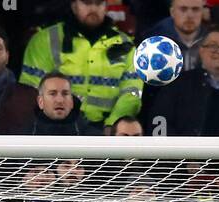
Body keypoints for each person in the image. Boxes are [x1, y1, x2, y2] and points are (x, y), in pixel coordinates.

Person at [19, 0, 142, 129]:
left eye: (99, 3)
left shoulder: (126, 44)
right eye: (87, 3)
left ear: (106, 7)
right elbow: (31, 91)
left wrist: (113, 125)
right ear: (74, 6)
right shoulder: (45, 40)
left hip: (107, 132)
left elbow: (132, 92)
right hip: (55, 130)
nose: (93, 8)